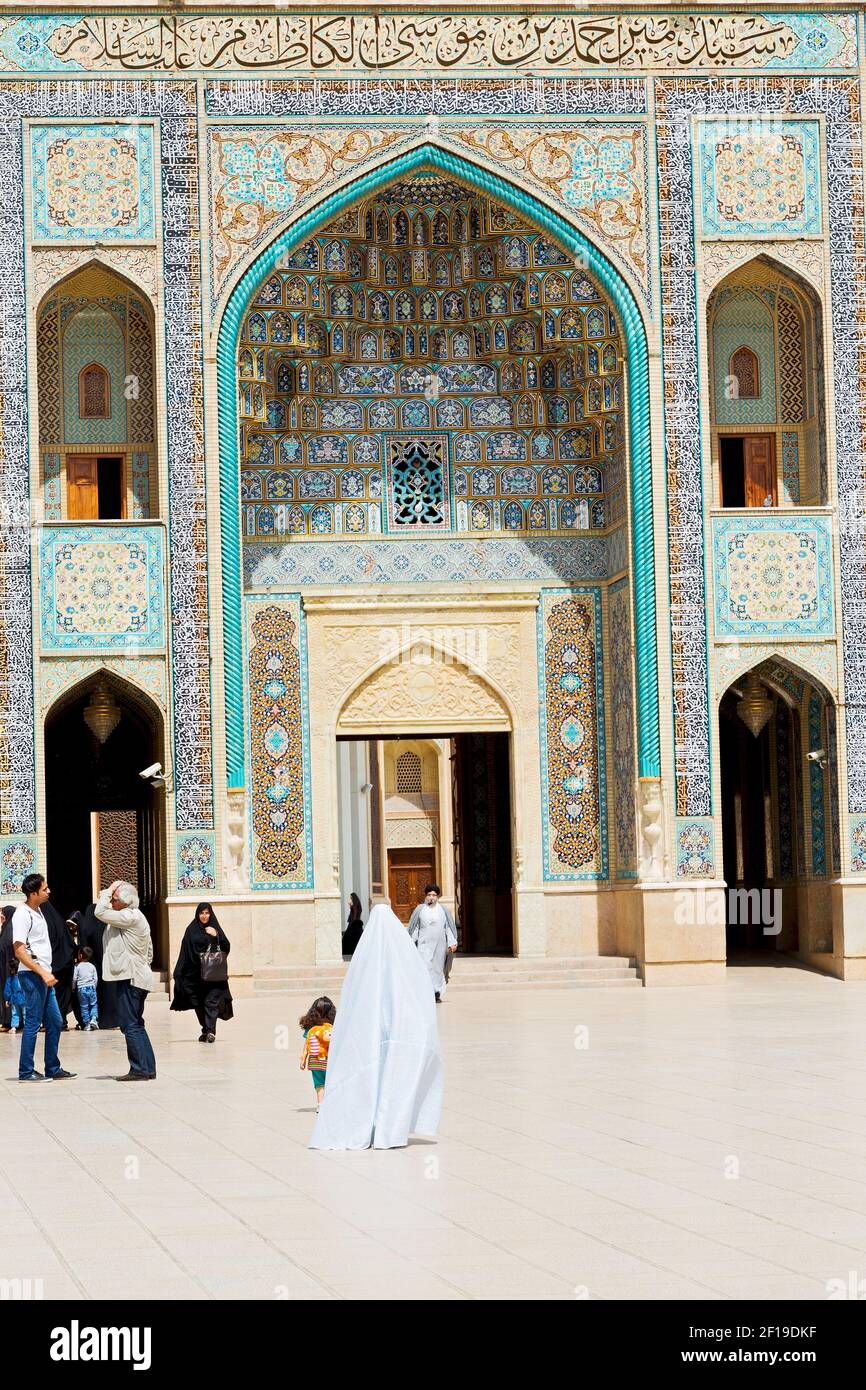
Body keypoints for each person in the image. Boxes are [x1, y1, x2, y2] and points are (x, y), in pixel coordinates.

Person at [309, 904, 443, 1151]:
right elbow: (417, 997)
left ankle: (369, 1125)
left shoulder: (363, 963)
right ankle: (389, 1130)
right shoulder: (405, 962)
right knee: (392, 1076)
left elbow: (353, 1002)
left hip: (370, 1035)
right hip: (396, 1033)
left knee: (371, 1074)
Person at [12, 873, 76, 1083]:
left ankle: (52, 1067)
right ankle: (26, 1071)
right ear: (33, 893)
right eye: (45, 889)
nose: (49, 891)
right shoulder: (22, 914)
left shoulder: (38, 911)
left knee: (56, 1021)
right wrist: (42, 972)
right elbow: (20, 950)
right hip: (32, 975)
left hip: (43, 975)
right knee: (32, 1022)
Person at [94, 880, 156, 1081]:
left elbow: (99, 912)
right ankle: (147, 1068)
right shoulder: (135, 917)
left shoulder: (129, 916)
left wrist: (108, 890)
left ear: (126, 902)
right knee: (136, 1023)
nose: (112, 901)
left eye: (115, 899)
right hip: (137, 975)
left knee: (130, 1024)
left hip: (131, 977)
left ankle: (139, 1069)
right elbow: (149, 952)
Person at [170, 902, 233, 1042]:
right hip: (195, 975)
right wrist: (179, 971)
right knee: (198, 1003)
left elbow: (226, 947)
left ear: (211, 914)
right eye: (202, 913)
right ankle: (205, 1029)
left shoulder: (215, 928)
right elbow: (185, 951)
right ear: (197, 914)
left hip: (213, 975)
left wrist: (216, 935)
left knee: (211, 1002)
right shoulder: (191, 930)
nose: (204, 916)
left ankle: (211, 1031)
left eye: (207, 913)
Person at [68, 906, 119, 1029]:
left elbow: (84, 943)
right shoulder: (107, 928)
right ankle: (109, 1020)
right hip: (107, 964)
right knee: (107, 993)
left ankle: (88, 1021)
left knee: (88, 1002)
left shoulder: (86, 928)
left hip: (91, 965)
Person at [407, 884, 458, 1001]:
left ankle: (436, 992)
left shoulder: (443, 910)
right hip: (424, 945)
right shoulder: (420, 909)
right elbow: (415, 928)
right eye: (429, 895)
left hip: (440, 946)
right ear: (426, 896)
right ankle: (425, 992)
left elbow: (448, 927)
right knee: (425, 967)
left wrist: (452, 942)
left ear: (437, 896)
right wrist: (410, 942)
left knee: (437, 969)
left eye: (434, 895)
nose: (431, 897)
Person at [43, 899, 77, 1029]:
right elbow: (71, 944)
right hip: (66, 964)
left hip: (52, 966)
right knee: (62, 995)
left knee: (52, 995)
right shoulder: (59, 922)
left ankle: (51, 1023)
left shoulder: (45, 921)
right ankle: (62, 1022)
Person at [299, 996, 335, 1107]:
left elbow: (307, 1044)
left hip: (315, 1060)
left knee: (319, 1084)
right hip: (330, 1060)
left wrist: (303, 1059)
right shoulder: (333, 1026)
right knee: (332, 1081)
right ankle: (331, 1103)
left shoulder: (311, 1027)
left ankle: (320, 1104)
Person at [73, 946, 99, 1031]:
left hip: (81, 989)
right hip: (91, 988)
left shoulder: (77, 966)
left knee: (84, 1007)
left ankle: (87, 1024)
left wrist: (73, 986)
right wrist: (94, 987)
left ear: (80, 956)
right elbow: (96, 978)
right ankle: (94, 1019)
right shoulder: (92, 966)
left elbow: (74, 978)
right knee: (93, 1005)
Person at [0, 903, 15, 1031]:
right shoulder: (6, 928)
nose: (2, 917)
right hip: (5, 968)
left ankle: (9, 1021)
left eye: (3, 915)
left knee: (9, 994)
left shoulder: (10, 930)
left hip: (9, 969)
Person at [3, 961, 24, 1033]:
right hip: (24, 998)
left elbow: (7, 990)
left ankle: (14, 1028)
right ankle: (27, 1027)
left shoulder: (10, 978)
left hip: (14, 999)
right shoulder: (24, 977)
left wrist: (7, 999)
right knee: (25, 1013)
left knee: (15, 1013)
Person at [342, 892, 364, 957]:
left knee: (351, 939)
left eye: (351, 898)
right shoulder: (356, 906)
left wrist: (351, 907)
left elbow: (355, 916)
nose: (350, 900)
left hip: (354, 925)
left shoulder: (356, 906)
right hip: (354, 924)